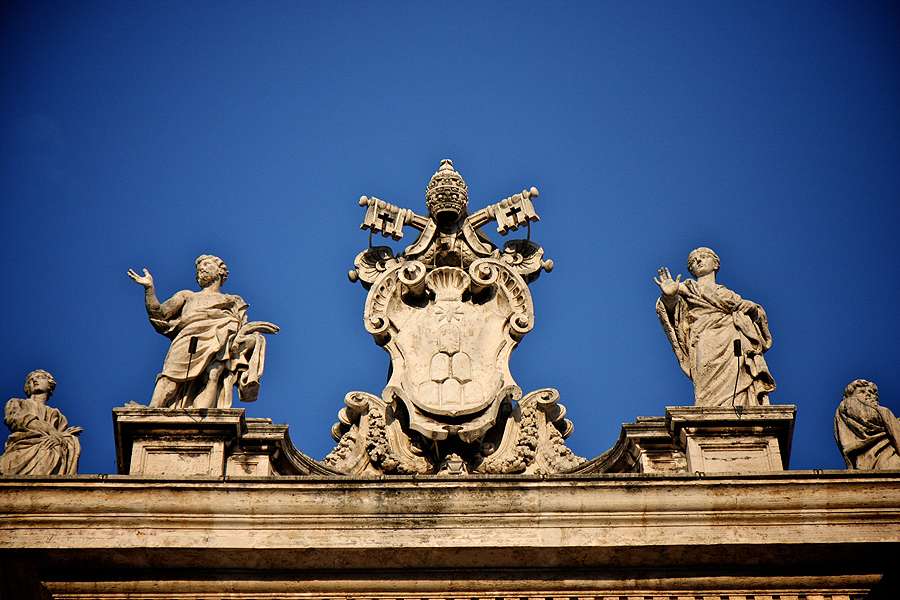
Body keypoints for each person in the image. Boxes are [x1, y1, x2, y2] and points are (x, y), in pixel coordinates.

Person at [127, 254, 278, 409]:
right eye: (199, 268)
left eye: (206, 264)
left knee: (213, 375)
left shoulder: (233, 300)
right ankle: (153, 408)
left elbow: (241, 329)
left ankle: (204, 414)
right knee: (170, 377)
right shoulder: (187, 296)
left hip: (221, 338)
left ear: (220, 271)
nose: (201, 269)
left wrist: (252, 330)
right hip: (188, 336)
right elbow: (159, 314)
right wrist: (149, 290)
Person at [654, 247, 775, 407]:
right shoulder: (687, 288)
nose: (698, 261)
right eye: (693, 261)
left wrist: (752, 308)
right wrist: (669, 296)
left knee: (740, 384)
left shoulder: (731, 295)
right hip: (705, 338)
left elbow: (757, 316)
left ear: (716, 264)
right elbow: (672, 312)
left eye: (703, 256)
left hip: (733, 339)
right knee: (707, 386)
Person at [0, 370, 81, 475]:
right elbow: (17, 419)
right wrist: (51, 430)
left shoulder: (57, 415)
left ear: (50, 385)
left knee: (55, 449)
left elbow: (62, 438)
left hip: (49, 452)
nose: (34, 380)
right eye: (30, 380)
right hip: (21, 450)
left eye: (40, 377)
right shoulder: (17, 403)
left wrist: (63, 437)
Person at [834, 379, 900, 470]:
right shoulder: (848, 403)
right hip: (881, 457)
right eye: (862, 392)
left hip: (883, 454)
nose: (869, 394)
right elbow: (869, 418)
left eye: (872, 393)